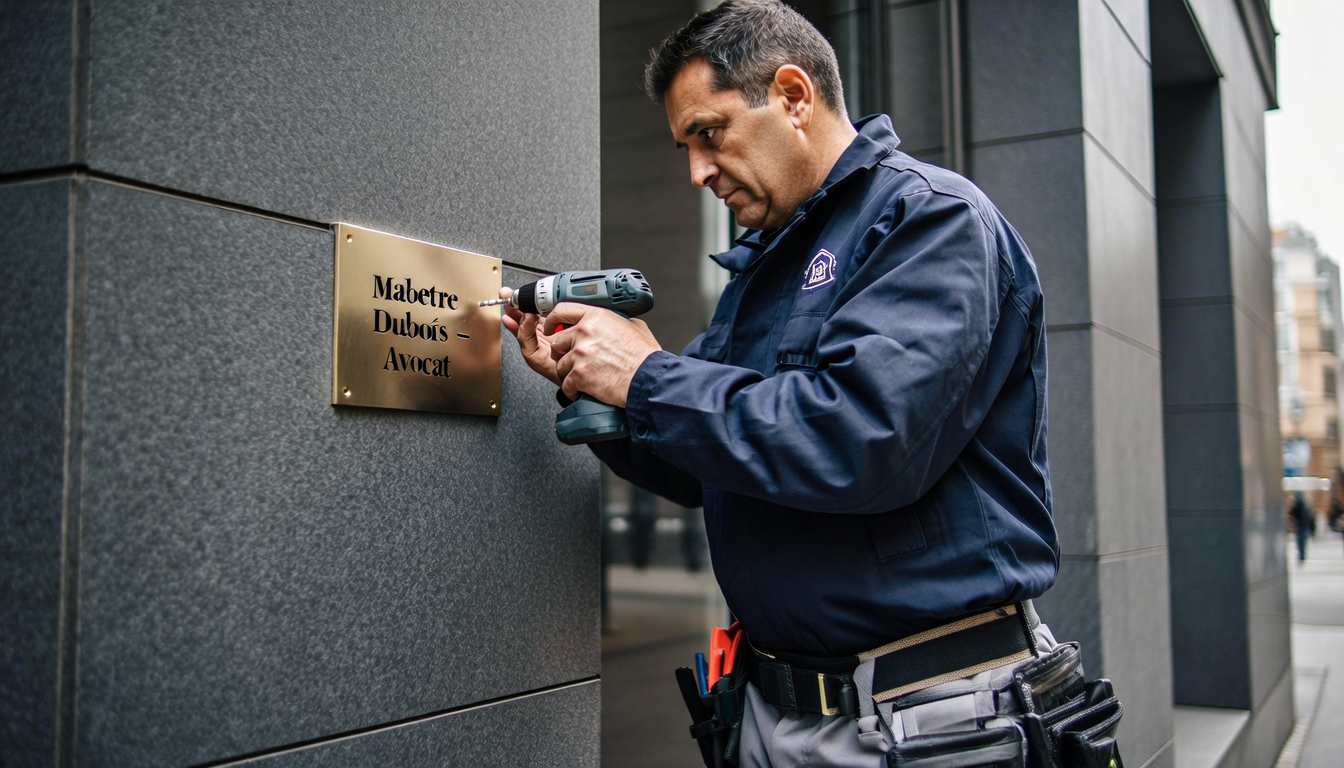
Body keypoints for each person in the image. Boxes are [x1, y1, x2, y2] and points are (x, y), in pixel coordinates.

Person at [499, 2, 1108, 765]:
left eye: (709, 134)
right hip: (779, 713)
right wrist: (592, 383)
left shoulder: (930, 221)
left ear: (793, 95)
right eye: (685, 146)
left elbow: (859, 439)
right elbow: (707, 464)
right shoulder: (768, 266)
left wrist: (648, 376)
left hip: (931, 715)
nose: (697, 172)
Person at [1291, 492, 1314, 563]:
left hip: (1301, 528)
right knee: (1302, 542)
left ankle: (1302, 555)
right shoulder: (1304, 508)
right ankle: (1302, 555)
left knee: (1300, 542)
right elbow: (1310, 518)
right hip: (1302, 528)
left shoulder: (1299, 507)